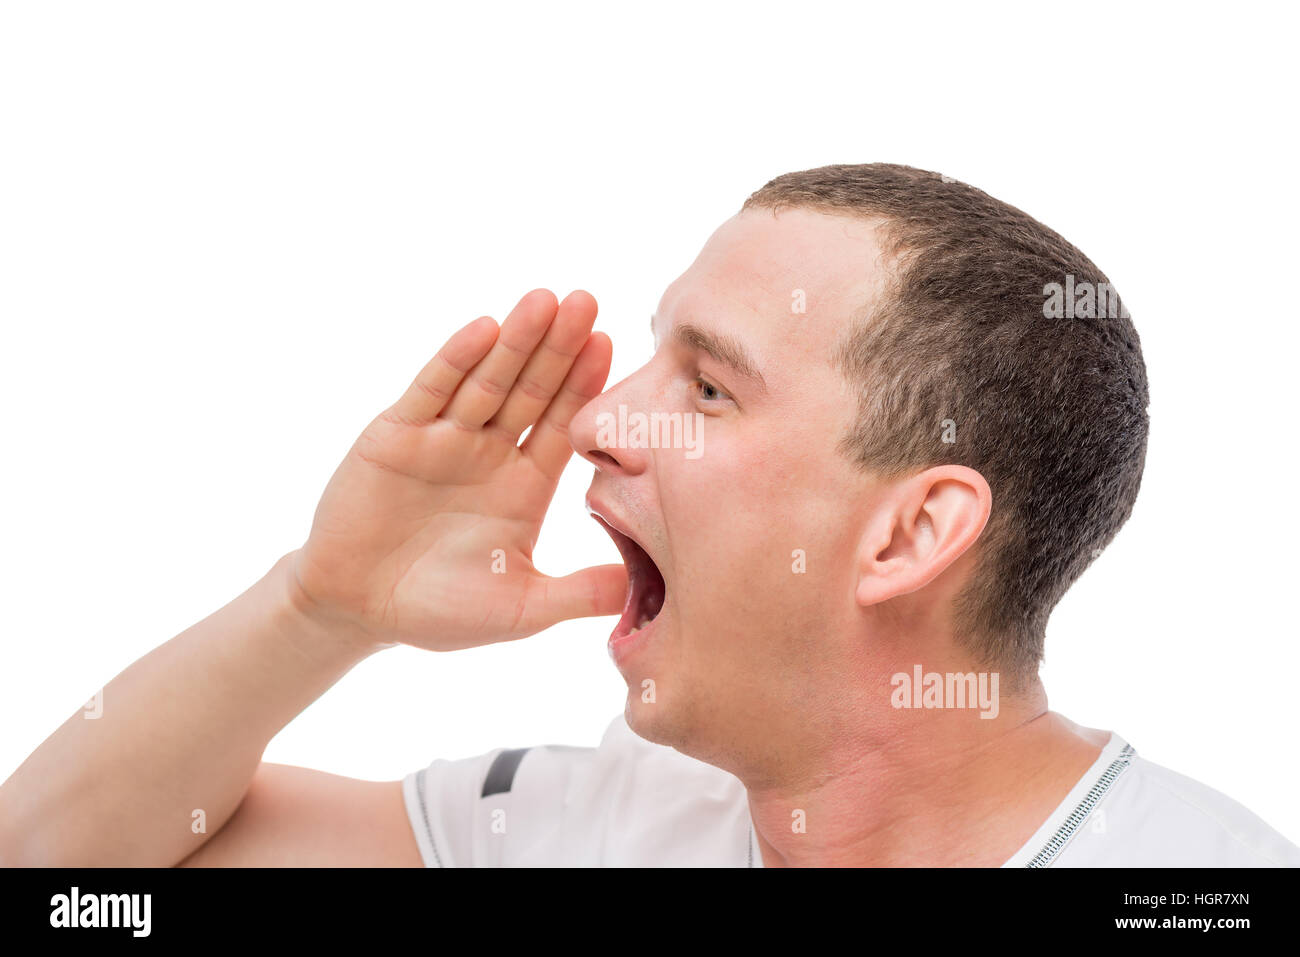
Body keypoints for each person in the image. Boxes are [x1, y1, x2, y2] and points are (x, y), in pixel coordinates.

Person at [2, 163, 1295, 867]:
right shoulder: (615, 819)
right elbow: (67, 879)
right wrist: (316, 607)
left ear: (909, 536)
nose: (598, 419)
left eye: (710, 385)